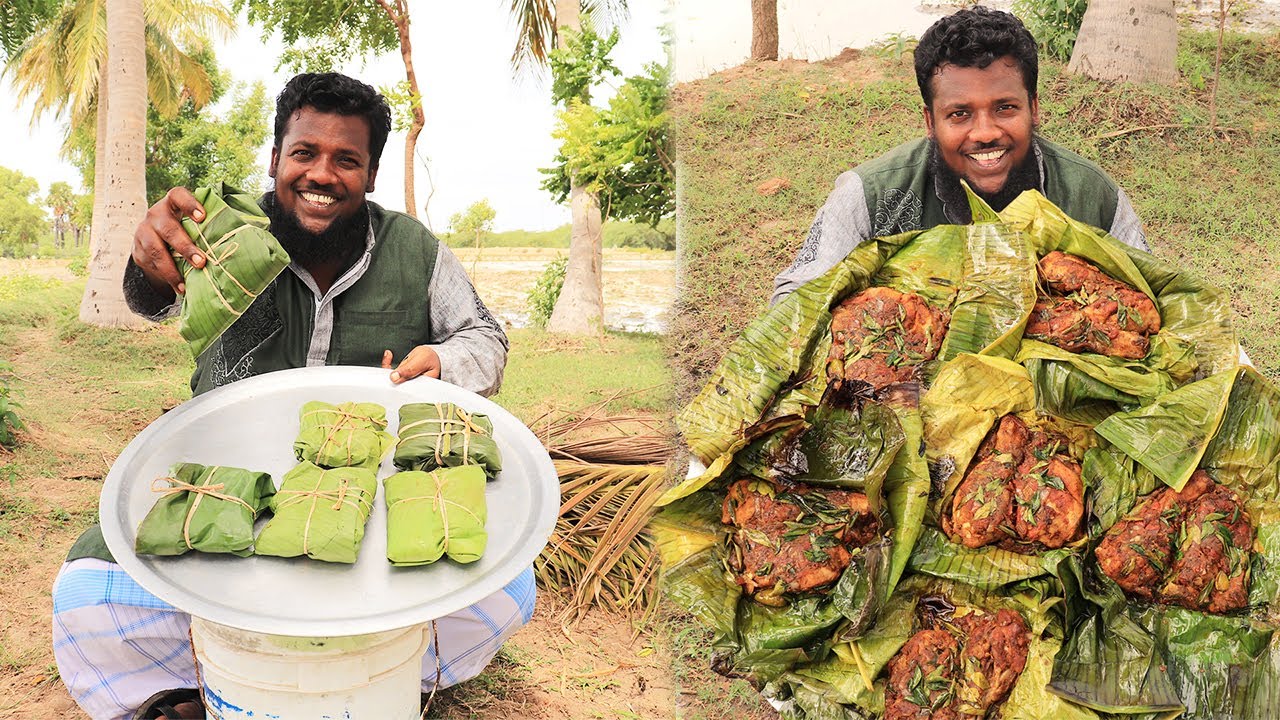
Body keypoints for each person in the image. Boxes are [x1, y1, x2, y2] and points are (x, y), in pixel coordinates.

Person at [50, 73, 534, 720]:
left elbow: (486, 338)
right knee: (88, 595)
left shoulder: (415, 251)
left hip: (361, 503)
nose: (322, 175)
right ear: (276, 159)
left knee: (508, 590)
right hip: (228, 486)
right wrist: (149, 263)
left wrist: (442, 360)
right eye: (304, 153)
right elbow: (154, 300)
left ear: (371, 174)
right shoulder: (226, 237)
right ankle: (186, 693)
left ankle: (363, 678)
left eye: (347, 160)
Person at [772, 5, 1150, 305]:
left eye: (1005, 108)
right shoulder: (870, 196)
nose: (985, 133)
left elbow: (1154, 298)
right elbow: (794, 301)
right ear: (930, 121)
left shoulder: (1092, 196)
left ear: (1033, 108)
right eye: (959, 114)